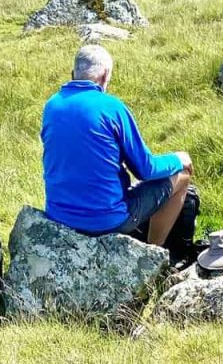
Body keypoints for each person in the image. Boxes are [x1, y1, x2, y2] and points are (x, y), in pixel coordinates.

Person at [41, 44, 193, 246]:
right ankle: (154, 254)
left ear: (73, 74)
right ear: (104, 77)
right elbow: (146, 170)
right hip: (107, 220)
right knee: (182, 176)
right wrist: (178, 158)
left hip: (59, 216)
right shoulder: (112, 107)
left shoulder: (51, 106)